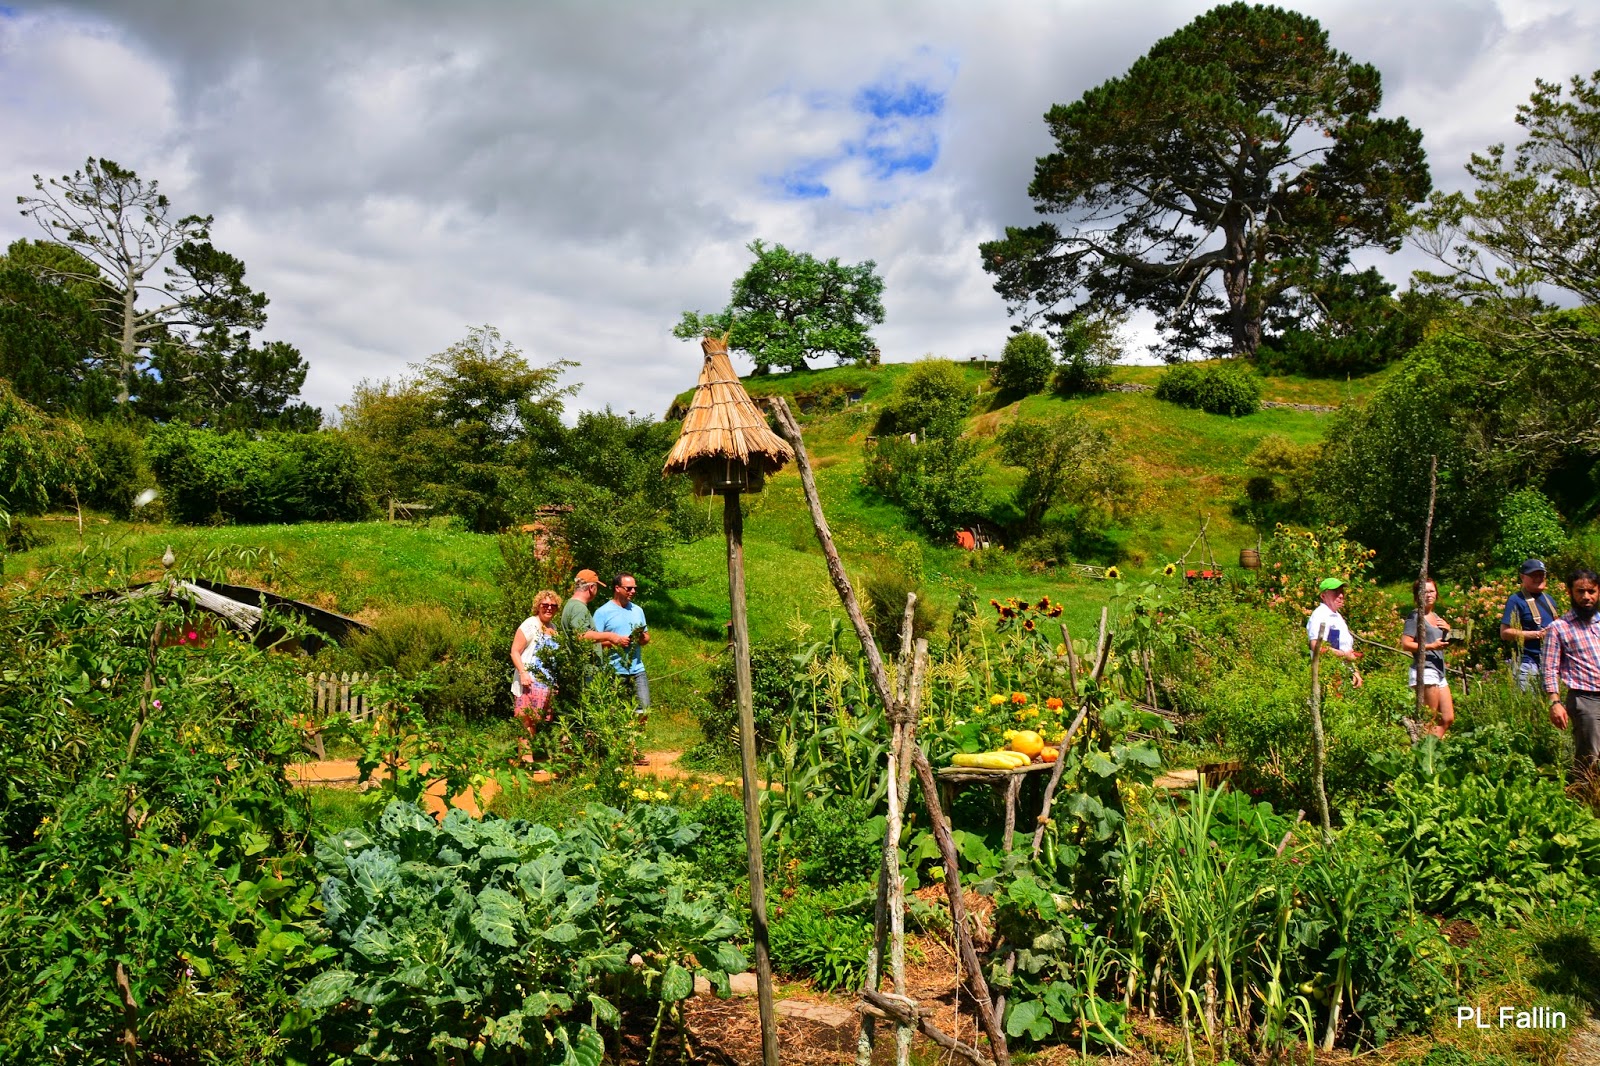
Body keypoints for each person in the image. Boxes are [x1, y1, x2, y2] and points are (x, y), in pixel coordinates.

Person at [1544, 567, 1600, 777]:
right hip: (1586, 699)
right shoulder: (1559, 627)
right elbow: (1549, 668)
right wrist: (1555, 702)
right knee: (1590, 757)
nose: (1586, 597)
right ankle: (1582, 802)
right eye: (1580, 591)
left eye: (1591, 591)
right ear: (1570, 593)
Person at [509, 590, 561, 757]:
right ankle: (525, 759)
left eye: (553, 606)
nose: (549, 608)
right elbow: (515, 651)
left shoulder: (554, 629)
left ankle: (527, 757)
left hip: (546, 683)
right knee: (526, 720)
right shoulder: (530, 624)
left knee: (535, 721)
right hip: (529, 681)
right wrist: (523, 673)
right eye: (545, 605)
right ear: (538, 606)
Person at [1401, 577, 1454, 737]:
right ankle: (1425, 754)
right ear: (1417, 596)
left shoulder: (1437, 617)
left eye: (1431, 591)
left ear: (1437, 593)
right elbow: (1406, 644)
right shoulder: (1415, 617)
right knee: (1428, 719)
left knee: (1447, 718)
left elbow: (1450, 640)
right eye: (1424, 592)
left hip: (1439, 670)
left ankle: (1433, 748)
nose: (1428, 595)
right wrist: (1431, 646)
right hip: (1425, 670)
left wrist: (1449, 630)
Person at [593, 571, 651, 716]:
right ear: (617, 588)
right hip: (614, 671)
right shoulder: (603, 612)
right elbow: (593, 641)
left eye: (635, 588)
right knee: (614, 713)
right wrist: (616, 642)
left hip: (637, 669)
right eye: (629, 588)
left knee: (644, 711)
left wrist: (642, 637)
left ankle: (637, 737)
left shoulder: (638, 610)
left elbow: (647, 638)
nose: (633, 591)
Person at [1500, 559, 1559, 691]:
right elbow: (1505, 633)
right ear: (1522, 577)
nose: (1538, 578)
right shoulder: (1516, 600)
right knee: (1530, 708)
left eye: (1541, 575)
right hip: (1527, 664)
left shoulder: (1549, 599)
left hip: (1550, 663)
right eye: (1533, 575)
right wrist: (1537, 635)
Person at [1306, 577, 1363, 687]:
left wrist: (1355, 672)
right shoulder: (1320, 615)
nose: (1341, 596)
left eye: (1341, 592)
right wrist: (1344, 655)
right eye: (1335, 592)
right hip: (1329, 676)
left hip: (1343, 675)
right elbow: (1316, 646)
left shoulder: (1337, 617)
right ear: (1323, 596)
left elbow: (1346, 649)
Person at [561, 569, 631, 653]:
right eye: (596, 586)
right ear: (591, 588)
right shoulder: (578, 607)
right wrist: (610, 636)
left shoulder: (571, 604)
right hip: (584, 665)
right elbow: (581, 636)